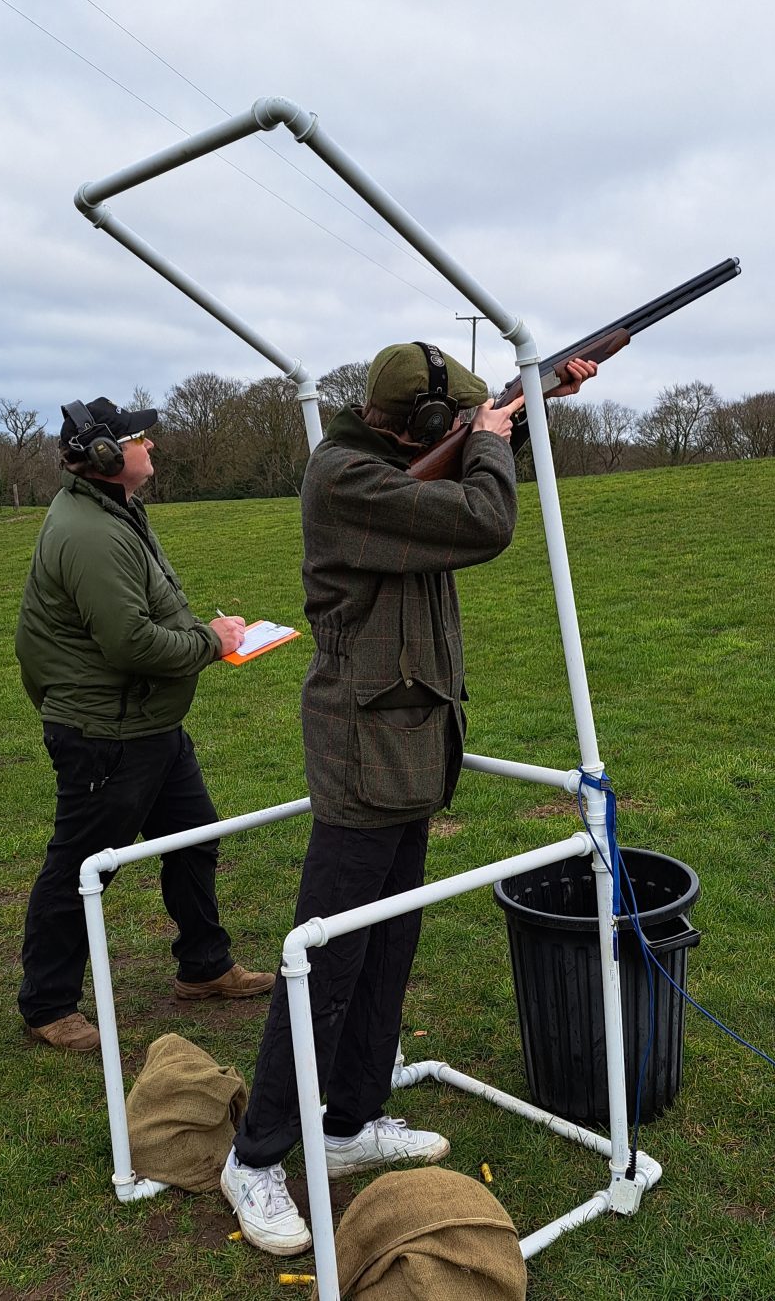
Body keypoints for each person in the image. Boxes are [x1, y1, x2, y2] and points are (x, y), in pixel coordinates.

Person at [221, 346, 596, 1253]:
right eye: (454, 417)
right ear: (420, 423)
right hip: (363, 750)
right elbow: (485, 520)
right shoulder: (348, 479)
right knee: (326, 965)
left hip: (410, 743)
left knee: (389, 947)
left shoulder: (388, 469)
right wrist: (496, 437)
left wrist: (533, 412)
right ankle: (256, 1157)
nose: (467, 425)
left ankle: (349, 1121)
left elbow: (475, 490)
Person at [14, 396, 274, 1052]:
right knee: (82, 867)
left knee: (193, 838)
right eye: (140, 439)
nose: (151, 447)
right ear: (105, 456)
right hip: (107, 733)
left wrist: (206, 633)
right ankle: (48, 1005)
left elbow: (153, 613)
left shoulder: (114, 511)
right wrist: (213, 644)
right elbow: (130, 643)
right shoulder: (91, 533)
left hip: (148, 723)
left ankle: (205, 969)